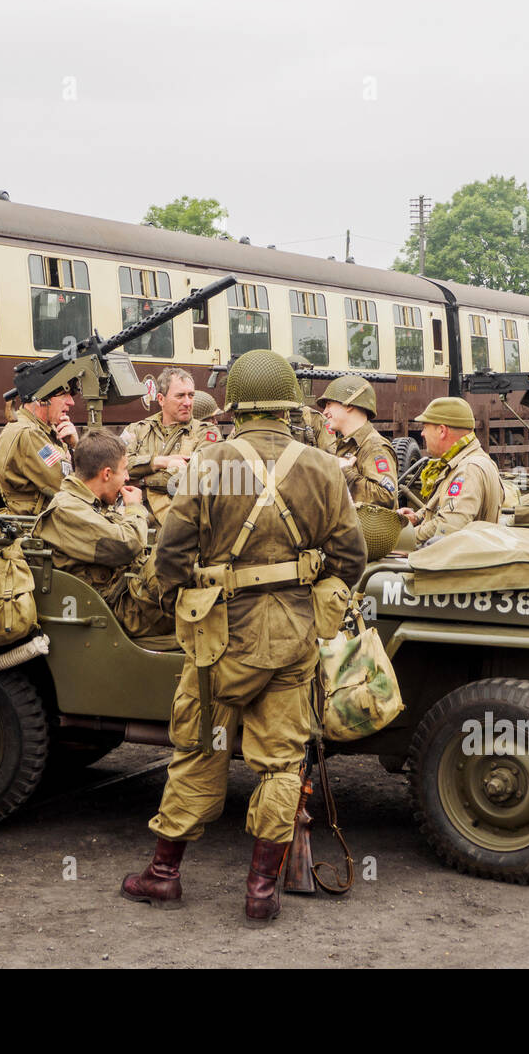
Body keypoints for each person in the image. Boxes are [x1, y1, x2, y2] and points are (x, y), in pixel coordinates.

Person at [121, 350, 366, 926]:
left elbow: (172, 555)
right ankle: (260, 891)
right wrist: (313, 592)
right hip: (293, 636)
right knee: (282, 765)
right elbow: (352, 557)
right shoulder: (324, 467)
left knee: (198, 749)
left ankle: (163, 875)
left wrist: (181, 597)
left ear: (234, 406)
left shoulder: (209, 460)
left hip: (219, 640)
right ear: (289, 405)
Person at [34, 430, 173, 638]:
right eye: (124, 470)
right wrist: (135, 508)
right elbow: (127, 546)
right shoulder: (68, 509)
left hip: (125, 595)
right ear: (106, 474)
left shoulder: (87, 502)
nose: (127, 478)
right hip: (119, 609)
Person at [119, 367, 221, 523]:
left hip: (183, 527)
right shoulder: (137, 429)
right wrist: (159, 462)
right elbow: (118, 468)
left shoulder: (205, 433)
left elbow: (198, 479)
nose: (187, 402)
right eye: (180, 396)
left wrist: (142, 481)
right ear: (161, 399)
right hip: (136, 526)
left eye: (191, 395)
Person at [398, 398, 501, 544]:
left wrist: (401, 540)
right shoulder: (469, 461)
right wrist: (418, 517)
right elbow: (449, 507)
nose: (422, 433)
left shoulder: (467, 470)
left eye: (425, 427)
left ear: (442, 430)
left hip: (462, 563)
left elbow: (448, 526)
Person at [0, 384, 79, 515]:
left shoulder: (43, 428)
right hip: (38, 527)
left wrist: (74, 447)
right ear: (41, 399)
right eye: (64, 395)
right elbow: (70, 490)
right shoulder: (30, 434)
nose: (71, 402)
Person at [316, 375, 398, 508]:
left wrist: (347, 473)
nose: (325, 412)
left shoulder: (374, 447)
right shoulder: (346, 444)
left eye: (329, 404)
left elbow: (386, 496)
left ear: (348, 405)